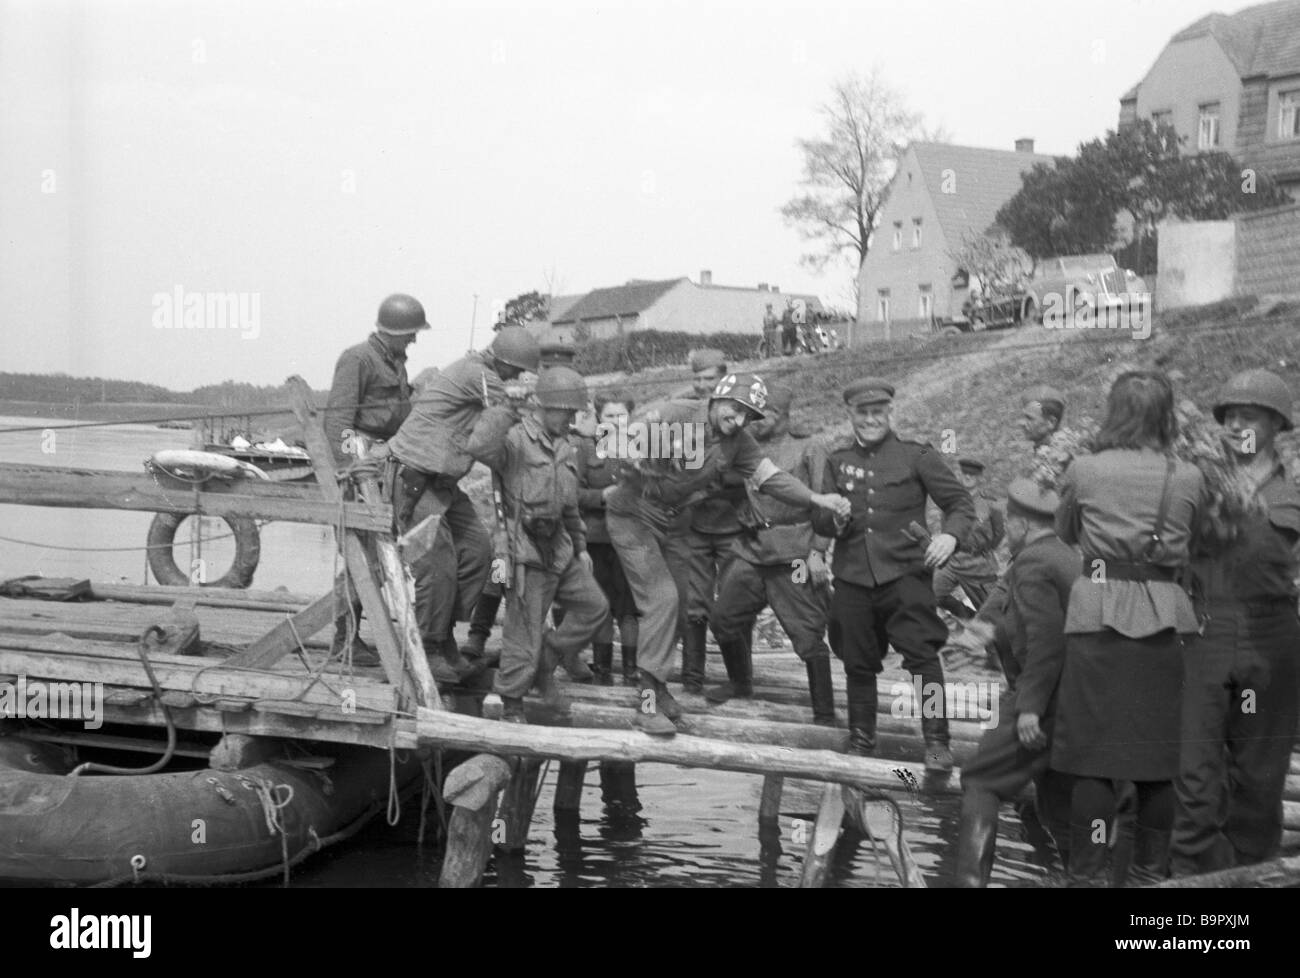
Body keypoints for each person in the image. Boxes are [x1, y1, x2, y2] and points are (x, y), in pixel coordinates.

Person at [604, 373, 851, 736]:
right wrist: (637, 456)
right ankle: (645, 703)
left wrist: (817, 499)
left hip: (672, 523)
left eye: (747, 416)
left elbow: (771, 479)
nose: (736, 420)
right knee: (662, 599)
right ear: (716, 399)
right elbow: (613, 444)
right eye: (733, 410)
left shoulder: (740, 443)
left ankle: (658, 688)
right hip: (632, 517)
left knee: (683, 603)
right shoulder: (673, 413)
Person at [1050, 370, 1204, 887]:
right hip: (1164, 616)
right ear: (1166, 417)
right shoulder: (1188, 476)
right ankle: (1145, 878)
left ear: (1114, 413)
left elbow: (1065, 530)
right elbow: (1195, 540)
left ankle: (1089, 874)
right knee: (1158, 759)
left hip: (1098, 613)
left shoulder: (1085, 469)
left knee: (1094, 758)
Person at [1172, 368, 1300, 875]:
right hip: (1206, 629)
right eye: (1228, 418)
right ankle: (1186, 890)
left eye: (1247, 417)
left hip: (1273, 637)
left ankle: (1252, 879)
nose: (1233, 426)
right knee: (1196, 772)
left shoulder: (1294, 494)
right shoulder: (1196, 482)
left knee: (1260, 777)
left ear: (1275, 424)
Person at [813, 378, 976, 771]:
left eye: (877, 412)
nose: (870, 420)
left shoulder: (916, 455)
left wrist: (950, 537)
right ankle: (862, 739)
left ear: (889, 413)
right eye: (861, 413)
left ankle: (937, 741)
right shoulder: (836, 461)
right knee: (857, 661)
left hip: (905, 577)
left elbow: (960, 504)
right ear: (850, 415)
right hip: (853, 576)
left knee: (922, 658)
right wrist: (831, 520)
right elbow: (818, 518)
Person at [385, 326, 541, 681]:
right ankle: (425, 647)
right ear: (502, 364)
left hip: (442, 482)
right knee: (437, 566)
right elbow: (517, 407)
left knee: (478, 551)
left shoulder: (484, 374)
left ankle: (442, 637)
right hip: (413, 479)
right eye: (515, 372)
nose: (517, 377)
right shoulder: (476, 375)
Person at [466, 367, 611, 723]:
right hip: (524, 549)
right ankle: (512, 701)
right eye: (567, 412)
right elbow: (479, 446)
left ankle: (546, 663)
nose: (572, 419)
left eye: (577, 413)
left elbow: (570, 504)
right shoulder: (514, 439)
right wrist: (503, 408)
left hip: (561, 548)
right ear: (546, 407)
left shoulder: (567, 445)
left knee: (595, 607)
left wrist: (580, 547)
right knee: (523, 630)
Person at [954, 478, 1076, 887]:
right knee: (1059, 799)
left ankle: (971, 883)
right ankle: (1081, 876)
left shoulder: (1033, 564)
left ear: (1022, 524)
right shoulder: (1062, 556)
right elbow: (1001, 596)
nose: (1006, 531)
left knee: (981, 779)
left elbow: (1047, 640)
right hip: (1078, 699)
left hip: (1044, 697)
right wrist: (980, 629)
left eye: (1010, 524)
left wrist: (1030, 708)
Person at [706, 385, 837, 725]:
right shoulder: (743, 447)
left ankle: (824, 713)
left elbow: (826, 503)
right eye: (751, 415)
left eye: (764, 415)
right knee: (723, 618)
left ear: (783, 415)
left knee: (808, 633)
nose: (755, 422)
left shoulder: (809, 448)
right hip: (751, 551)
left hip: (794, 554)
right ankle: (739, 684)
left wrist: (818, 552)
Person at [323, 293, 427, 666]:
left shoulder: (396, 362)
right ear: (395, 331)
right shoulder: (357, 359)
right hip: (360, 470)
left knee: (378, 555)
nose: (414, 340)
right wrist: (353, 468)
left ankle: (357, 636)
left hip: (385, 466)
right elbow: (337, 422)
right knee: (359, 556)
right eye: (411, 333)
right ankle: (344, 640)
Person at [575, 390, 641, 685]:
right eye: (610, 416)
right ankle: (602, 669)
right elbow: (571, 494)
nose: (616, 421)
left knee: (629, 606)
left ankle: (630, 669)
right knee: (602, 605)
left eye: (622, 415)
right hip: (597, 539)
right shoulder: (585, 449)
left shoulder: (641, 446)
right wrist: (601, 496)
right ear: (599, 417)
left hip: (631, 538)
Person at [933, 457, 1003, 622]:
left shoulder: (990, 504)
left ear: (979, 478)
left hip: (978, 564)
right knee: (932, 594)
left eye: (972, 474)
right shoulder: (951, 502)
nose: (967, 477)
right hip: (953, 560)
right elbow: (946, 527)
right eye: (964, 473)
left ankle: (995, 645)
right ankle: (969, 617)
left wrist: (982, 550)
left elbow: (999, 533)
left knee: (992, 615)